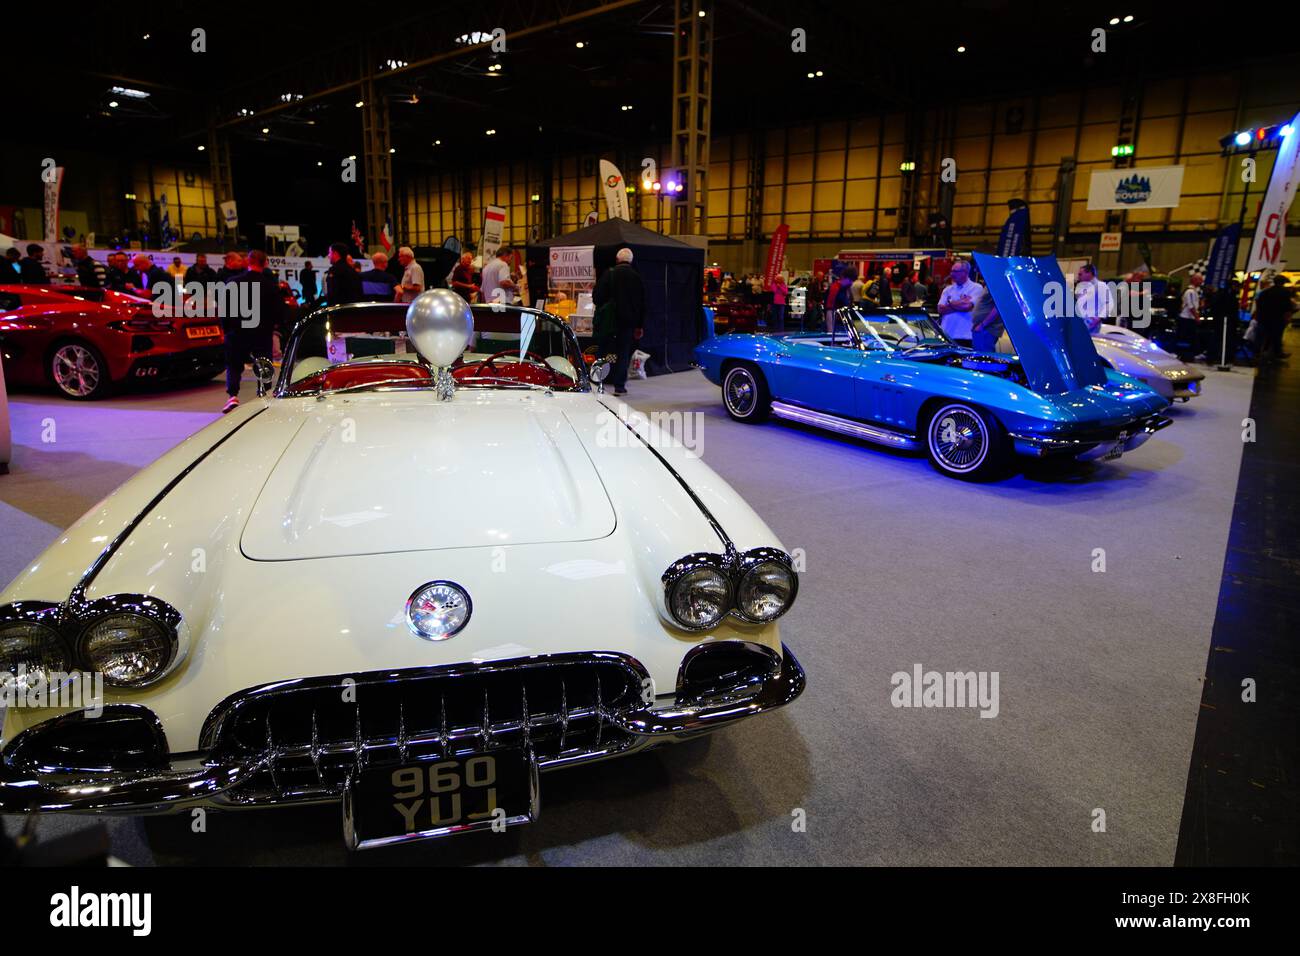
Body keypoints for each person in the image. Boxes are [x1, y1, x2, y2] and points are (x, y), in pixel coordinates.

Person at [220, 249, 282, 414]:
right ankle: (263, 394)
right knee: (263, 363)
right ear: (265, 263)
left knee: (233, 364)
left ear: (248, 262)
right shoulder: (270, 286)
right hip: (261, 333)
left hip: (237, 332)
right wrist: (273, 329)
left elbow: (224, 310)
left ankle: (232, 395)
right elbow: (277, 313)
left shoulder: (233, 282)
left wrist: (226, 330)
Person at [592, 246, 645, 395]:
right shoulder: (637, 277)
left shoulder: (609, 274)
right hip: (627, 322)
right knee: (623, 353)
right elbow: (642, 303)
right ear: (631, 261)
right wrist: (639, 325)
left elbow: (597, 297)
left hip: (608, 321)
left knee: (602, 351)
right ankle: (619, 386)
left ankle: (596, 382)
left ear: (617, 260)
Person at [937, 259, 982, 347]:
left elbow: (967, 307)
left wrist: (949, 303)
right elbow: (940, 309)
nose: (952, 274)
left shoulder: (976, 288)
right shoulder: (947, 289)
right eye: (951, 271)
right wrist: (960, 302)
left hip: (965, 335)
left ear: (965, 272)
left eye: (955, 271)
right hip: (947, 334)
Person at [1254, 274, 1295, 364]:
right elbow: (1288, 306)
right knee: (1276, 336)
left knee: (1262, 336)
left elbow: (1259, 304)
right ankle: (1276, 353)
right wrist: (1288, 316)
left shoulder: (1266, 292)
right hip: (1278, 318)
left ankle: (1257, 353)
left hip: (1265, 318)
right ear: (1283, 282)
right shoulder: (1285, 292)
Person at [1074, 263, 1113, 333]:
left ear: (1089, 273)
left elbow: (1109, 304)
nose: (1078, 276)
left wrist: (1098, 318)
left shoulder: (1101, 286)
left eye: (1080, 274)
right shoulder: (1082, 287)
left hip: (1091, 323)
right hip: (1080, 322)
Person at [824, 267, 855, 332]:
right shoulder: (837, 286)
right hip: (833, 311)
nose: (851, 282)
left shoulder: (846, 287)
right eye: (850, 280)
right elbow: (831, 303)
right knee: (831, 332)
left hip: (838, 312)